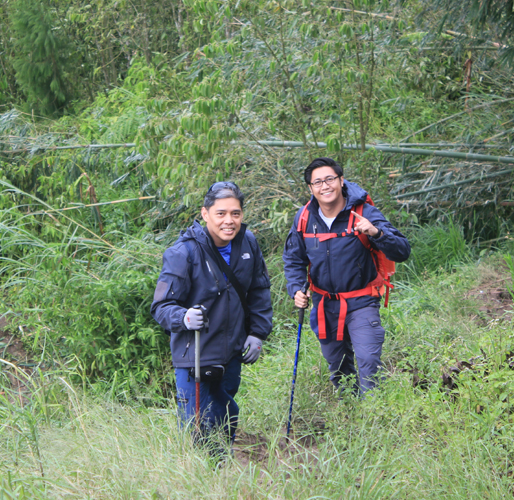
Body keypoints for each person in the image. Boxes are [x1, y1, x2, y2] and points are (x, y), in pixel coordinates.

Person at [152, 181, 273, 453]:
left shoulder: (248, 243)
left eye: (236, 214)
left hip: (232, 352)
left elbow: (259, 291)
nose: (229, 221)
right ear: (205, 214)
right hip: (194, 353)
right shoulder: (183, 252)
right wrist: (183, 317)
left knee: (225, 417)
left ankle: (220, 478)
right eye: (221, 213)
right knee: (195, 426)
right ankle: (196, 481)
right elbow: (161, 307)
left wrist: (257, 333)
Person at [283, 157, 410, 396]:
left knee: (368, 362)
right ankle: (349, 415)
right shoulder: (304, 218)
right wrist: (297, 289)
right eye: (317, 182)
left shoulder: (364, 212)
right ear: (310, 188)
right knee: (339, 368)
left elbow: (402, 250)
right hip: (324, 305)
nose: (325, 186)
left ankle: (374, 415)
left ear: (341, 181)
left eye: (330, 179)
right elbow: (294, 259)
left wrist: (375, 231)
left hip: (362, 301)